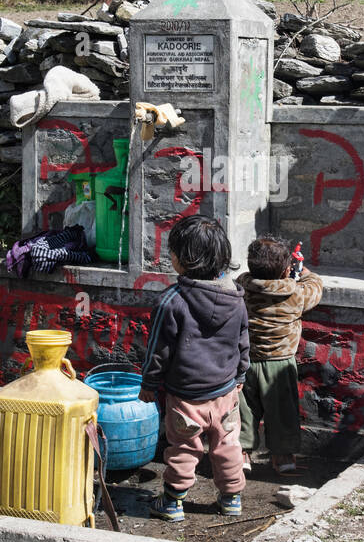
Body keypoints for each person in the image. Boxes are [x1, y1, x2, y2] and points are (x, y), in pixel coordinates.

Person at [139, 216, 249, 522]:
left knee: (184, 448)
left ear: (181, 259)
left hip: (185, 397)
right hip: (226, 392)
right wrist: (240, 375)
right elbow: (243, 342)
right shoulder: (235, 298)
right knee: (228, 444)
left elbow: (157, 351)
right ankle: (231, 499)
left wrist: (148, 384)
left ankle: (173, 502)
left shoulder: (170, 302)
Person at [236, 236, 324, 477]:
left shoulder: (241, 288)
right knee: (282, 411)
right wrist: (304, 272)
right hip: (280, 363)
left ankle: (241, 453)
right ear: (287, 270)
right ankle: (282, 456)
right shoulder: (295, 294)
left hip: (245, 360)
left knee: (244, 410)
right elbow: (316, 287)